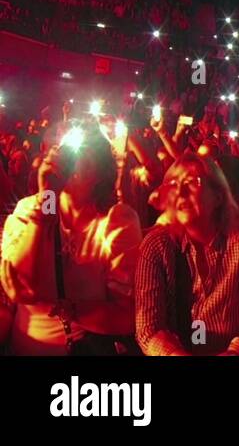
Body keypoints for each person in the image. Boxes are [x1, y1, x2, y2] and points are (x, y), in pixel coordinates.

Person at [0, 124, 142, 355]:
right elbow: (22, 284)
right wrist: (46, 201)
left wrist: (70, 311)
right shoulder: (27, 210)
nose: (68, 157)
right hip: (26, 347)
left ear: (100, 171)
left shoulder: (117, 221)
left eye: (83, 150)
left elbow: (127, 315)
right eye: (64, 149)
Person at [134, 153, 239, 355]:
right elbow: (148, 330)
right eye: (173, 184)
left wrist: (234, 354)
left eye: (191, 182)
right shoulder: (156, 247)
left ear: (218, 196)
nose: (181, 191)